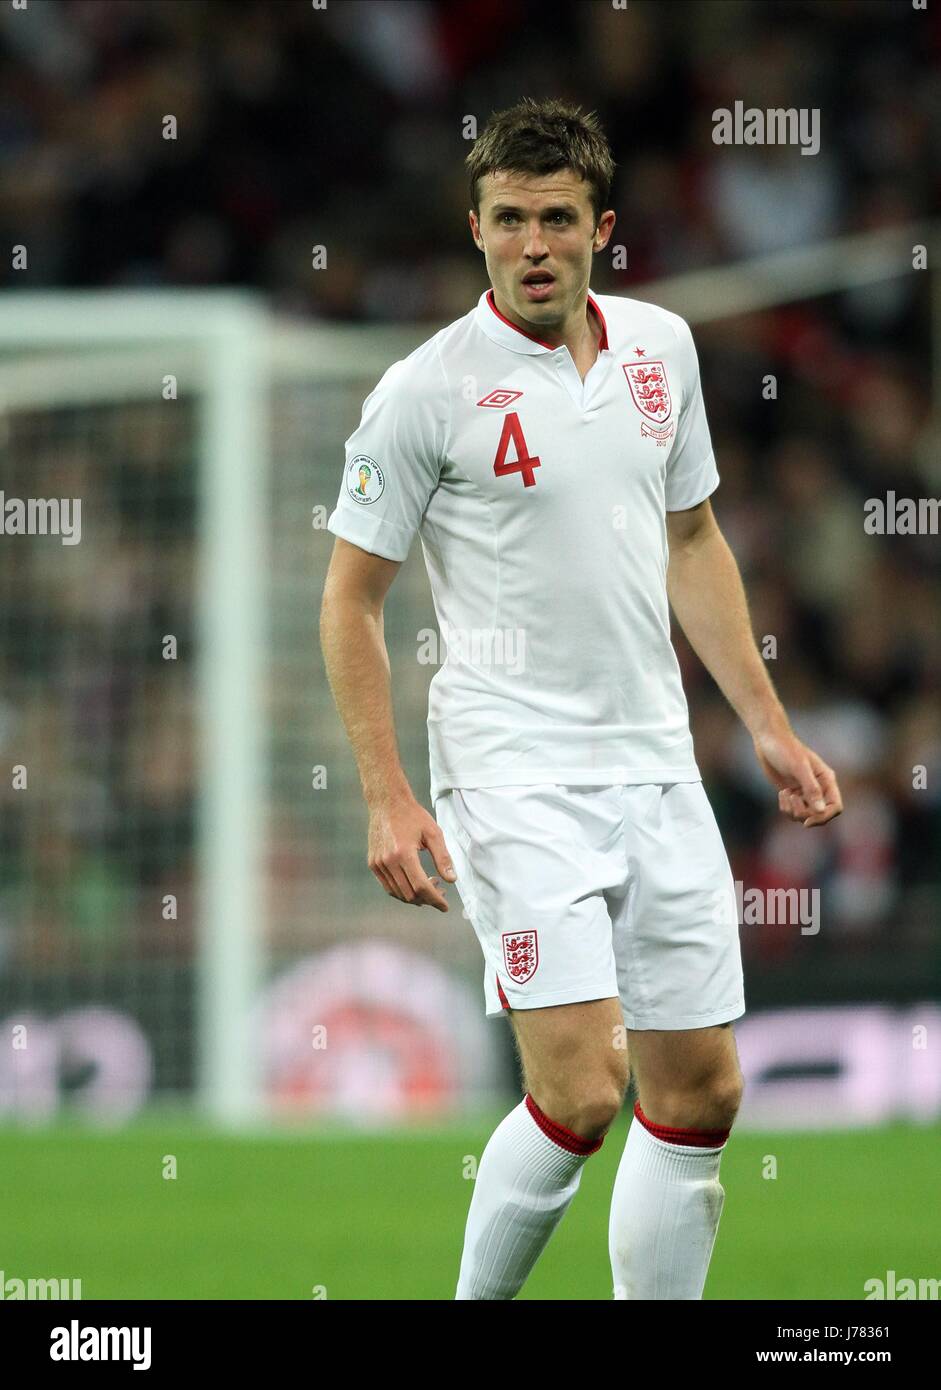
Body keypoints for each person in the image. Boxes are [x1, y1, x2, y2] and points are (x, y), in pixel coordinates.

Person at [320, 97, 843, 1300]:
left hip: (655, 764)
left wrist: (762, 721)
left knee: (700, 1091)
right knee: (577, 1086)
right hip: (511, 773)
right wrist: (386, 794)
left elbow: (694, 535)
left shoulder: (662, 350)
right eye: (509, 220)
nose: (533, 243)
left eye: (556, 218)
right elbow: (350, 601)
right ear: (476, 230)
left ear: (600, 227)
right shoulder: (425, 390)